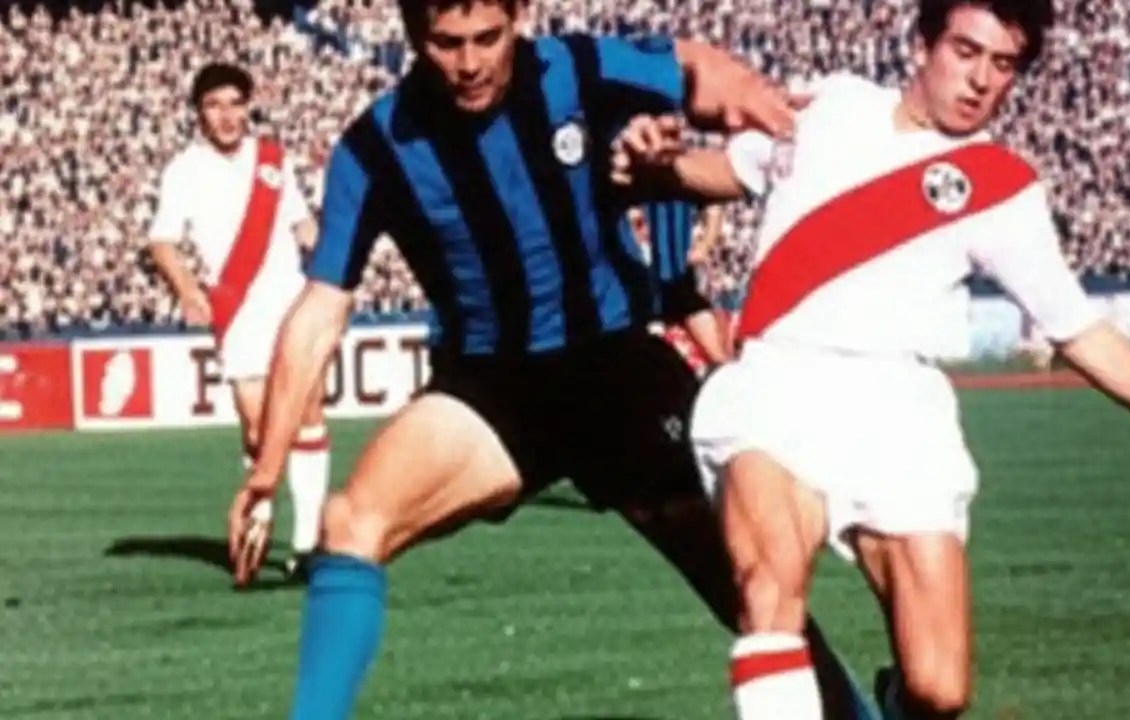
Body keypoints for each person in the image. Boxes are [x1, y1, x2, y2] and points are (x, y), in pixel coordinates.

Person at [608, 0, 1130, 718]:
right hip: (780, 384)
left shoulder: (1002, 187)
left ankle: (895, 701)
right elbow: (714, 173)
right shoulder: (831, 107)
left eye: (1002, 65)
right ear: (922, 42)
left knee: (939, 689)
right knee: (769, 591)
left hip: (899, 410)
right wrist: (653, 162)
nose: (981, 79)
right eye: (966, 52)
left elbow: (1079, 331)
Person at [224, 1, 874, 717]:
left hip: (618, 370)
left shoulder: (576, 68)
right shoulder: (375, 146)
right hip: (492, 392)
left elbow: (693, 67)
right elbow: (320, 311)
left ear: (518, 17)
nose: (469, 63)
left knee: (749, 588)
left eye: (486, 38)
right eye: (446, 43)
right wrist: (265, 470)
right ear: (414, 37)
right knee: (349, 524)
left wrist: (757, 100)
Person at [149, 62, 330, 581]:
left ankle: (307, 544)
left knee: (308, 412)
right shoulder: (183, 170)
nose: (226, 116)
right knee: (257, 427)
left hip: (291, 299)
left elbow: (302, 226)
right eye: (213, 106)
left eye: (234, 103)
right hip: (238, 309)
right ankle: (262, 508)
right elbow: (162, 240)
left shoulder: (272, 159)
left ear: (250, 106)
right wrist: (187, 289)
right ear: (198, 114)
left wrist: (337, 262)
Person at [626, 201, 733, 373]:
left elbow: (713, 206)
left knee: (687, 302)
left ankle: (725, 371)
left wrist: (706, 242)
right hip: (636, 285)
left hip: (674, 272)